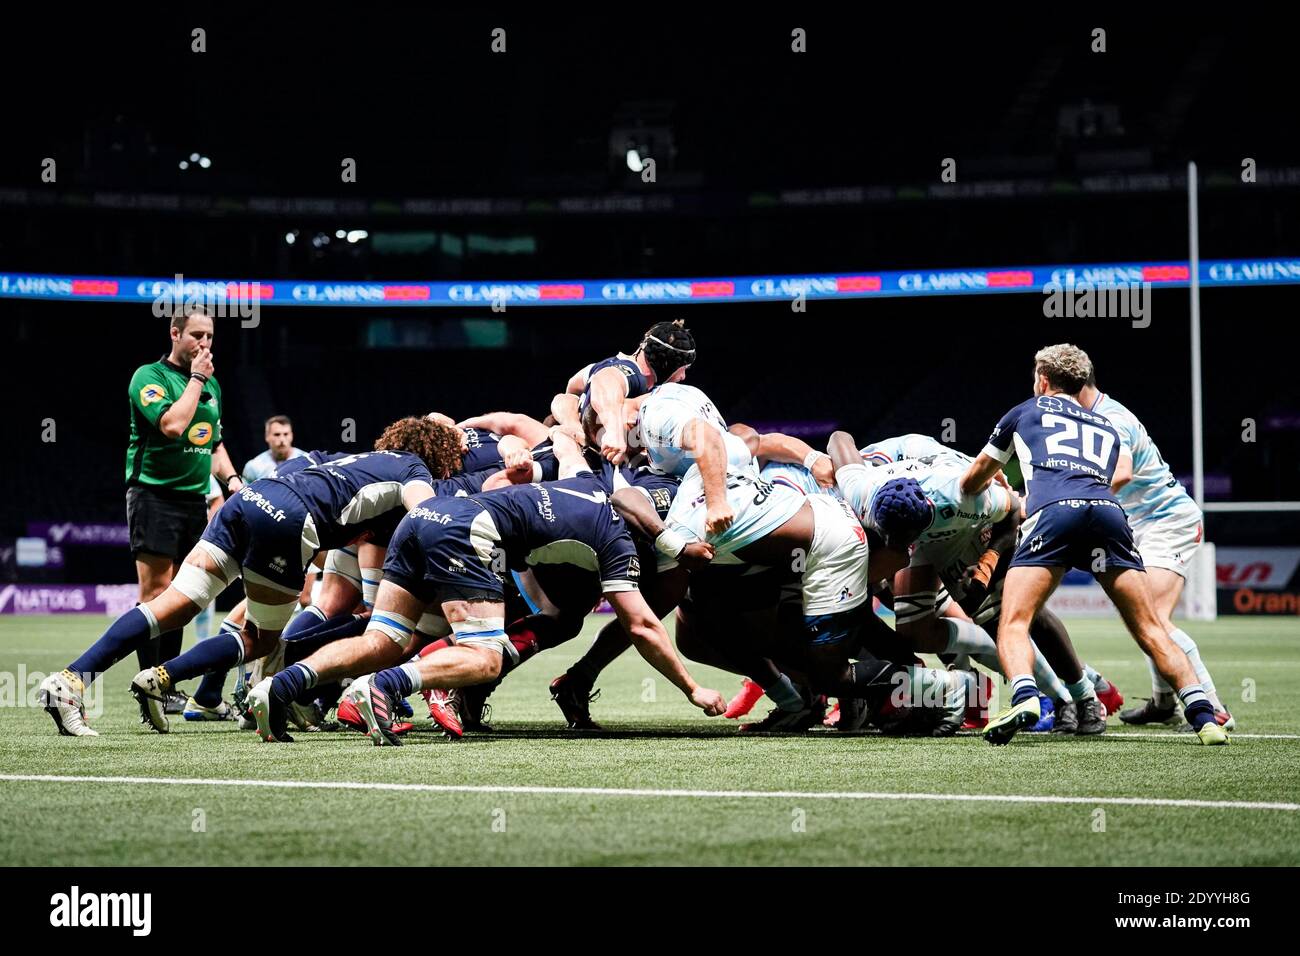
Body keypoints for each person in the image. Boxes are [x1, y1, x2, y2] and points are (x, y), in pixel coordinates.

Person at [37, 417, 462, 736]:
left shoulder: (355, 458)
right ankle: (167, 678)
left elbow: (306, 474)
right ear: (437, 454)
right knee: (260, 638)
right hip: (289, 519)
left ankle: (71, 680)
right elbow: (429, 514)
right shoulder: (413, 471)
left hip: (251, 499)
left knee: (172, 605)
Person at [959, 344, 1228, 746]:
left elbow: (971, 479)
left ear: (1043, 381)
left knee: (1013, 620)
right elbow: (1098, 477)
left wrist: (1005, 499)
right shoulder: (1100, 423)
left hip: (1082, 515)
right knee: (1151, 626)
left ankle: (1025, 695)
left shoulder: (1025, 411)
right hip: (1109, 515)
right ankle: (1204, 715)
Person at [1076, 368, 1233, 730]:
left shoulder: (1110, 419)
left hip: (1168, 521)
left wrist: (1077, 502)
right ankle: (1164, 704)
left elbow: (1121, 474)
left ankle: (1213, 708)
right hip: (1141, 526)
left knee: (1154, 620)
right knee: (1141, 615)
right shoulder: (1089, 417)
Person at [111, 307, 243, 724]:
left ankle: (163, 683)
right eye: (196, 335)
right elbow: (172, 425)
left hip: (193, 501)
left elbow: (214, 443)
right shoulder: (148, 377)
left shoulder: (213, 385)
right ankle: (147, 689)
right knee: (155, 592)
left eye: (210, 337)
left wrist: (233, 480)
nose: (204, 344)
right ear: (175, 333)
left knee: (183, 595)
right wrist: (197, 379)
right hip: (152, 496)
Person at [241, 415, 307, 483]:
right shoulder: (254, 466)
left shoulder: (307, 461)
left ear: (292, 436)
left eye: (286, 434)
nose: (282, 439)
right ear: (267, 436)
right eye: (277, 434)